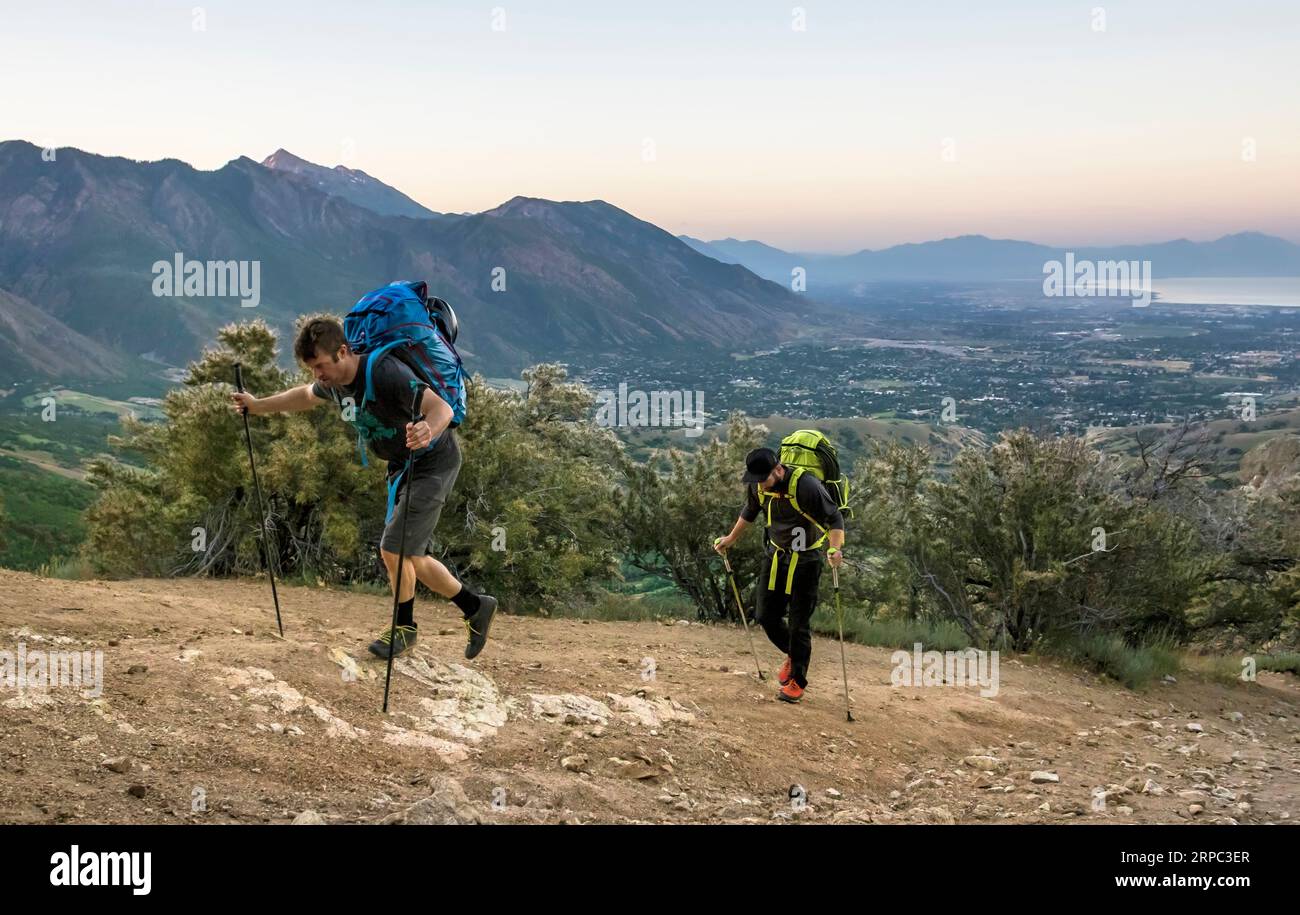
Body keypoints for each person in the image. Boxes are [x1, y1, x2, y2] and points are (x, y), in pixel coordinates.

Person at [229, 316, 498, 661]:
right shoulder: (336, 382)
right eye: (312, 368)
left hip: (433, 463)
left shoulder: (385, 373)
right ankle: (475, 607)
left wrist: (428, 430)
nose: (318, 375)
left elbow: (441, 408)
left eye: (321, 366)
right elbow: (305, 397)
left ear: (343, 351)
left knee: (394, 549)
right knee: (409, 554)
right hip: (402, 467)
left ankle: (405, 628)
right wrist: (259, 405)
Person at [714, 447, 844, 703]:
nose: (759, 485)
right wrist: (730, 539)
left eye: (763, 479)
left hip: (806, 559)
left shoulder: (806, 485)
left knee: (798, 623)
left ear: (778, 469)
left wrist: (835, 549)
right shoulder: (758, 486)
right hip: (775, 556)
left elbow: (835, 518)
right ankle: (795, 655)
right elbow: (749, 511)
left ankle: (797, 680)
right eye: (755, 479)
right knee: (765, 615)